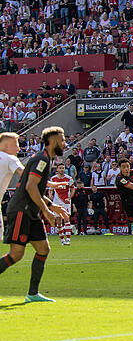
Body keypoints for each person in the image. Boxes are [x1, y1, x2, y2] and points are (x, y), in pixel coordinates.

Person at [0, 126, 69, 302]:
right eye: (62, 140)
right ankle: (32, 293)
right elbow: (30, 187)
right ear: (53, 141)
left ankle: (32, 294)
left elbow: (34, 187)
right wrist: (47, 211)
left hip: (30, 212)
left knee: (43, 249)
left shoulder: (44, 159)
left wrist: (51, 206)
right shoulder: (42, 160)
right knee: (16, 254)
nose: (64, 143)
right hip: (22, 211)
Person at [0, 132, 24, 224]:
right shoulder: (10, 159)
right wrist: (49, 183)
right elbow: (26, 175)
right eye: (16, 145)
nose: (18, 149)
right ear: (7, 146)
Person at [49, 164, 75, 245]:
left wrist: (69, 198)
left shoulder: (68, 178)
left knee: (66, 219)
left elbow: (72, 189)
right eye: (60, 168)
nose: (61, 169)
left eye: (63, 168)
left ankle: (68, 239)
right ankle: (62, 240)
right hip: (56, 202)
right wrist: (50, 195)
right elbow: (50, 189)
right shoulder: (53, 178)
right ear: (57, 169)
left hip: (65, 202)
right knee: (59, 221)